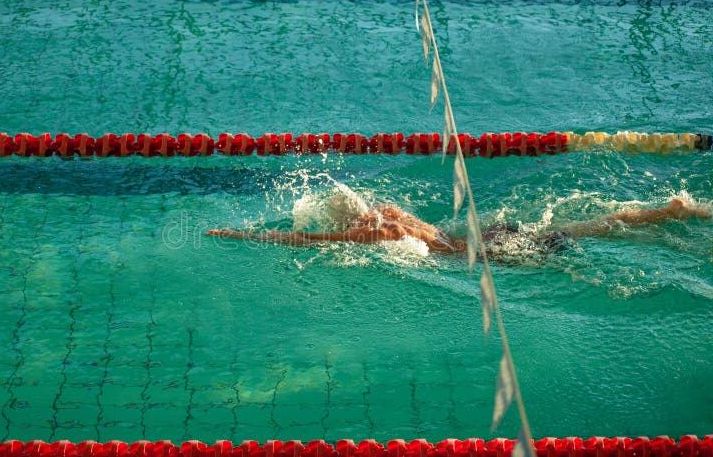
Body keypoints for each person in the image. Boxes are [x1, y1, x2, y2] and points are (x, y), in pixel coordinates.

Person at [206, 194, 710, 256]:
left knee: (585, 234)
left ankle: (667, 216)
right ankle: (666, 212)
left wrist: (242, 234)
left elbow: (303, 239)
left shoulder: (375, 232)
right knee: (584, 225)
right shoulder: (390, 214)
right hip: (486, 236)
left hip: (488, 255)